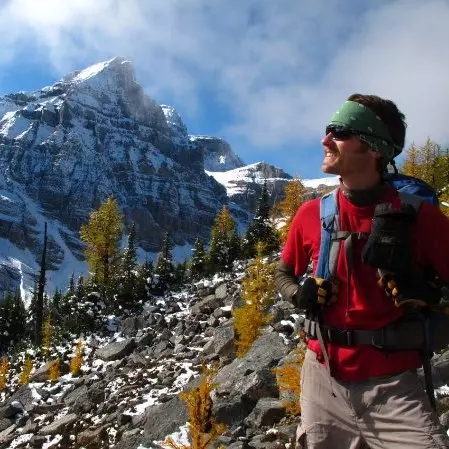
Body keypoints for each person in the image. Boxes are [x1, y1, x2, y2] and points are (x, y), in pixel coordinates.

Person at [275, 93, 449, 449]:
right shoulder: (311, 214)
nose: (324, 140)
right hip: (321, 378)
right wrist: (299, 293)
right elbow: (282, 274)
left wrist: (428, 293)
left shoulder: (422, 218)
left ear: (373, 148)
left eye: (339, 132)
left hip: (394, 384)